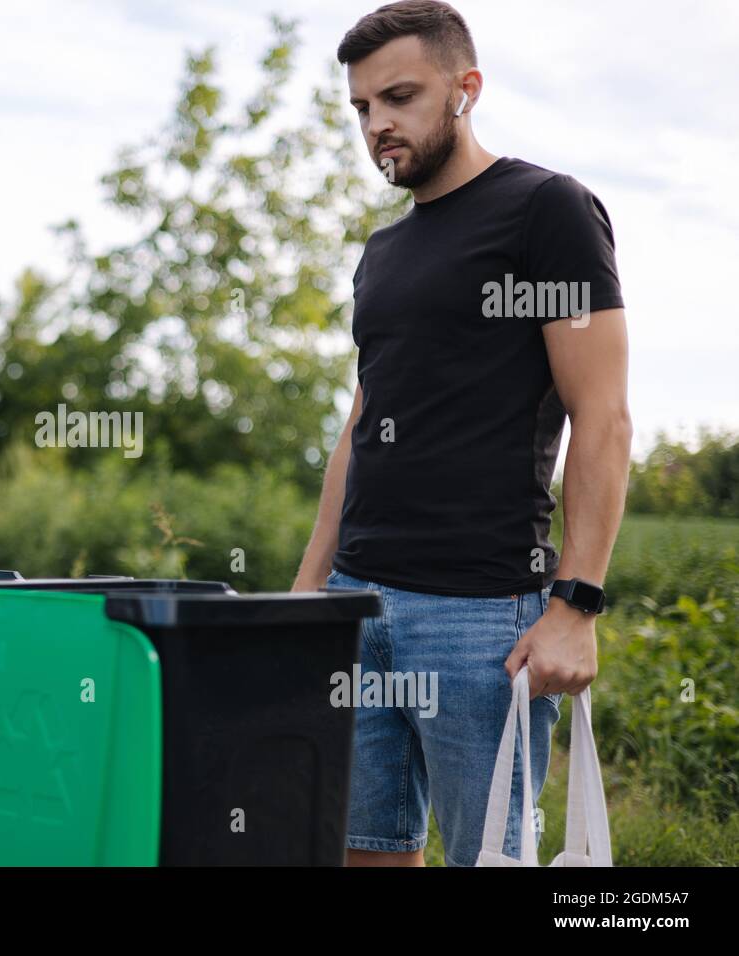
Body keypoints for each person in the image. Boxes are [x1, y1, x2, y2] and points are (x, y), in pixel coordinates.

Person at [291, 0, 632, 866]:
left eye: (399, 97)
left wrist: (577, 604)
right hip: (356, 602)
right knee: (360, 851)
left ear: (464, 89)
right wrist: (309, 594)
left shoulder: (544, 209)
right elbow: (360, 427)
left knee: (488, 857)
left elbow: (604, 417)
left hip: (480, 618)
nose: (378, 125)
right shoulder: (382, 252)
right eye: (362, 108)